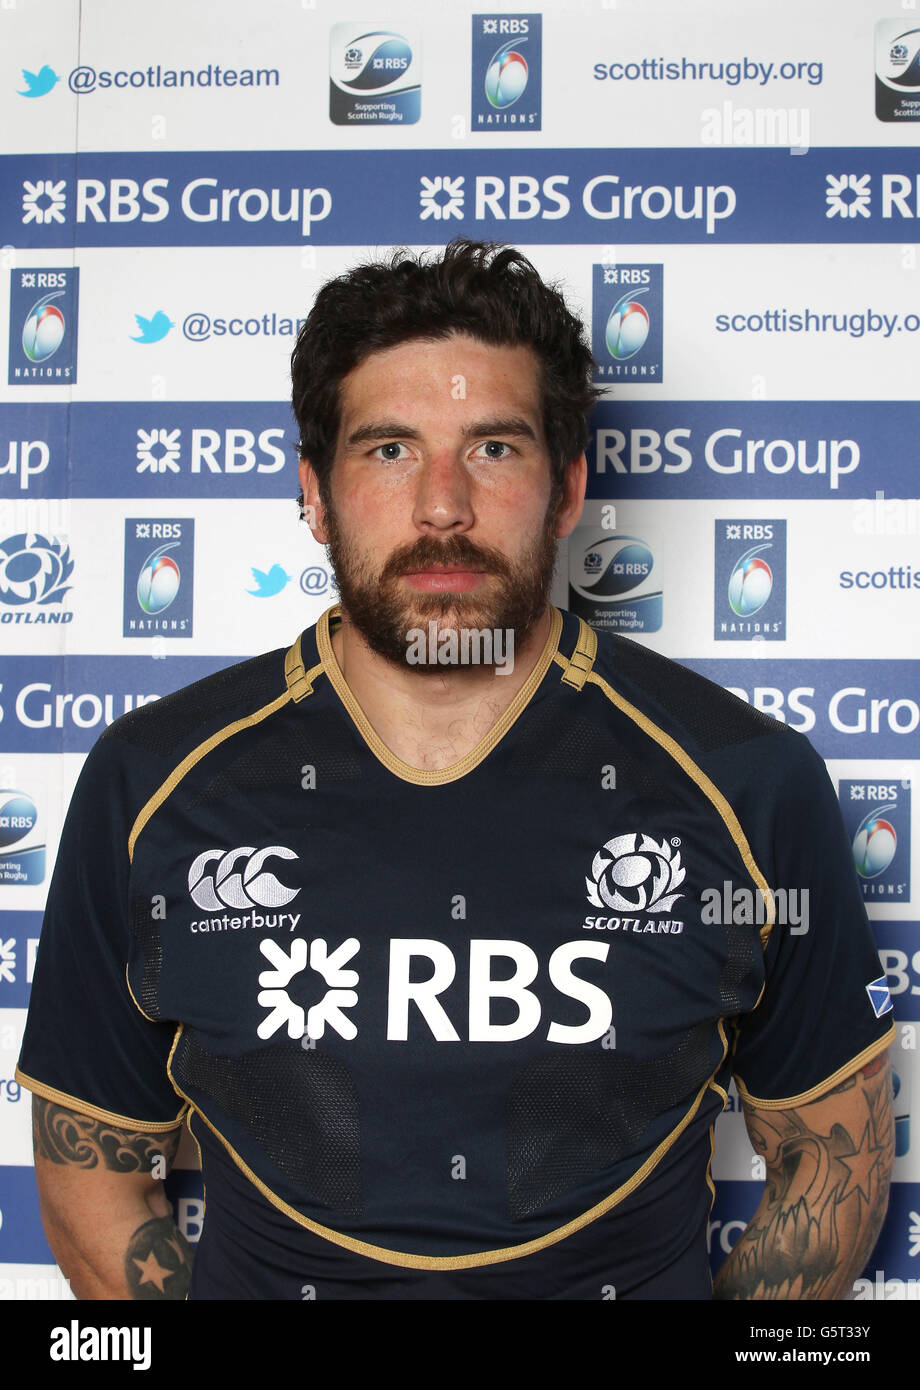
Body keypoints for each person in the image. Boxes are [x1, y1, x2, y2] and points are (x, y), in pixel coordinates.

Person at [17, 240, 894, 1301]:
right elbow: (89, 1164)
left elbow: (829, 1157)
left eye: (493, 449)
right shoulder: (149, 782)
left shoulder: (746, 781)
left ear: (567, 489)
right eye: (388, 450)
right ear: (314, 493)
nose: (441, 506)